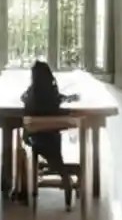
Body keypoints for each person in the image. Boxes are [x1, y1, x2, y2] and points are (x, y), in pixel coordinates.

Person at [20, 61, 79, 194]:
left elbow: (24, 100)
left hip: (36, 138)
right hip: (53, 138)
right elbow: (58, 100)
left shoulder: (31, 95)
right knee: (56, 157)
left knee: (49, 154)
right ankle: (63, 173)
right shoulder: (53, 93)